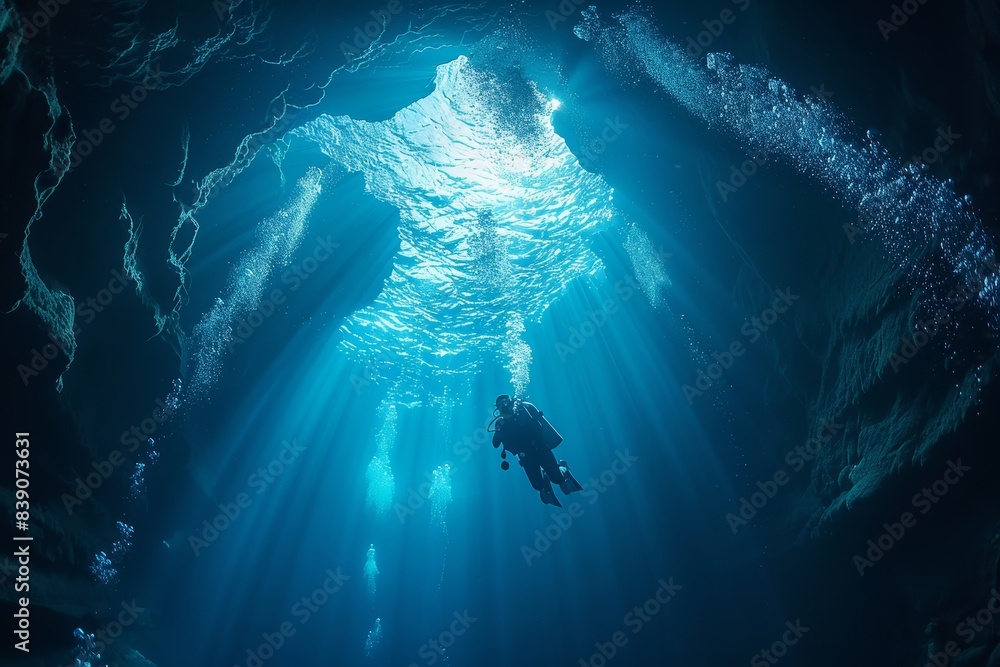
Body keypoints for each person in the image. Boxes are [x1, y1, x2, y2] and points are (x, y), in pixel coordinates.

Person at [490, 394, 583, 507]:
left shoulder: (522, 410)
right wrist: (499, 430)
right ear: (497, 409)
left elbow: (538, 424)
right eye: (500, 405)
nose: (503, 406)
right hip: (525, 457)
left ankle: (562, 467)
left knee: (558, 479)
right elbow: (495, 444)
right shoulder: (500, 422)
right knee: (538, 486)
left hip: (541, 449)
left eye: (505, 403)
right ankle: (546, 477)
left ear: (510, 402)